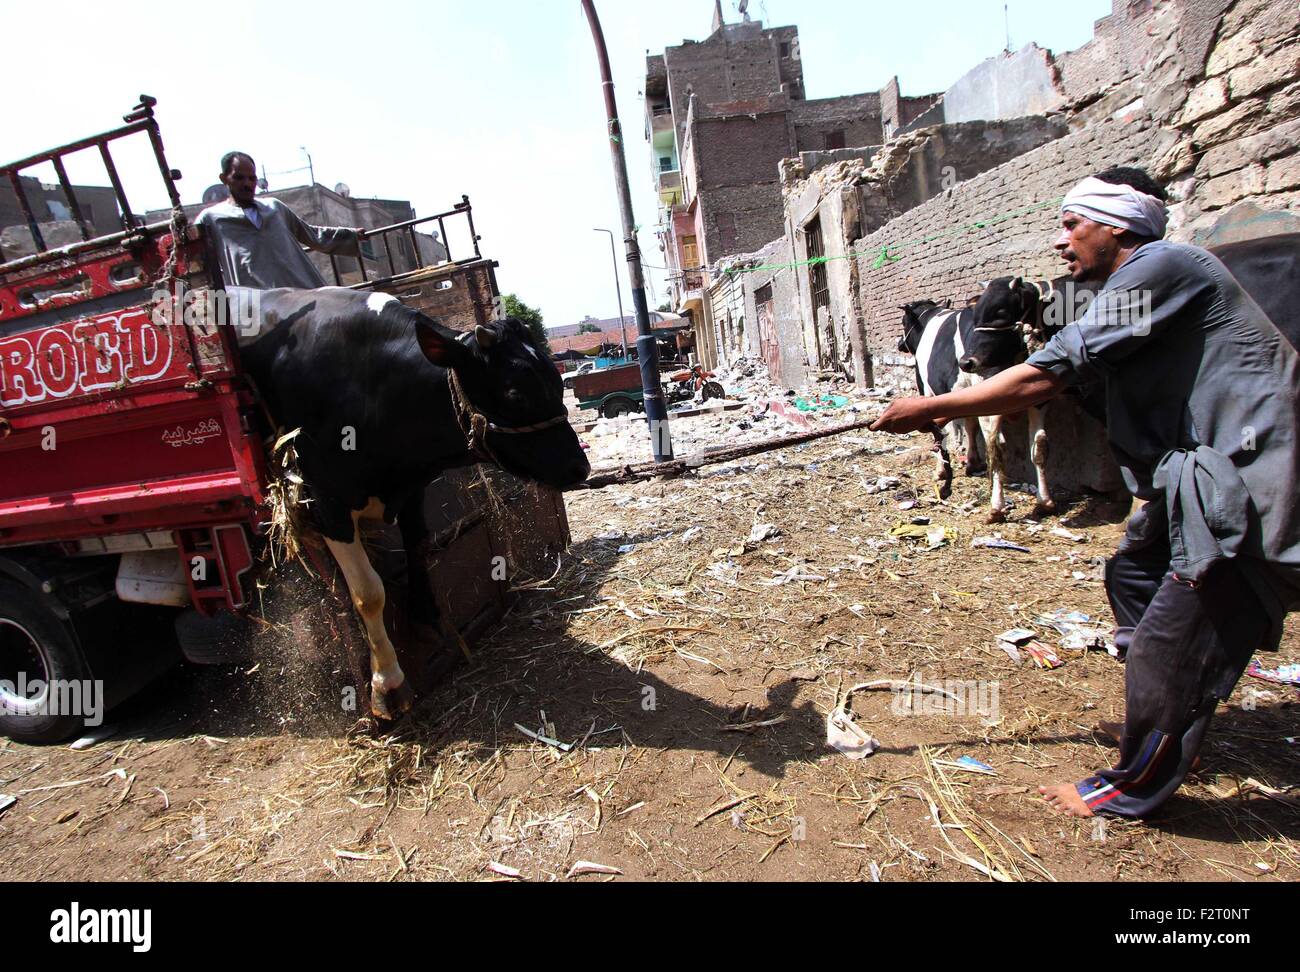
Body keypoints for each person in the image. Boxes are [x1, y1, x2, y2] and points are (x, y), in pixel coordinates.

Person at [870, 166, 1300, 819]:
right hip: (1204, 474)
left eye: (1072, 224)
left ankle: (1133, 780)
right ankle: (1175, 691)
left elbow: (1048, 375)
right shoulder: (1134, 287)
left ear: (1118, 226)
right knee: (1133, 573)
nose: (1059, 241)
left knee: (1168, 643)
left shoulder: (1164, 269)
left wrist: (933, 404)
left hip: (1254, 474)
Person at [194, 151, 364, 290]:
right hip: (258, 308)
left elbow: (311, 234)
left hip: (302, 293)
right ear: (224, 179)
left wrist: (350, 236)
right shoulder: (210, 219)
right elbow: (195, 264)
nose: (247, 184)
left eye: (252, 178)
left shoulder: (274, 208)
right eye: (239, 178)